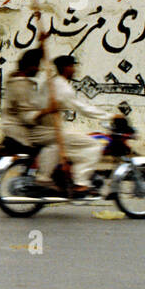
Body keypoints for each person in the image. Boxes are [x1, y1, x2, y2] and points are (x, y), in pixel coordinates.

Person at [32, 54, 117, 197]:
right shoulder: (63, 88)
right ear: (66, 68)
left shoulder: (50, 83)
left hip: (43, 127)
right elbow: (83, 108)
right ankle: (81, 183)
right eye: (72, 67)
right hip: (50, 131)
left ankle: (66, 179)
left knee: (78, 140)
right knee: (93, 145)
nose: (74, 70)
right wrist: (111, 116)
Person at [0, 48, 45, 148]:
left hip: (11, 129)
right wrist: (46, 111)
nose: (38, 69)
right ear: (30, 66)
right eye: (36, 66)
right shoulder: (21, 86)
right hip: (20, 133)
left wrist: (41, 45)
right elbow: (27, 116)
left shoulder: (13, 79)